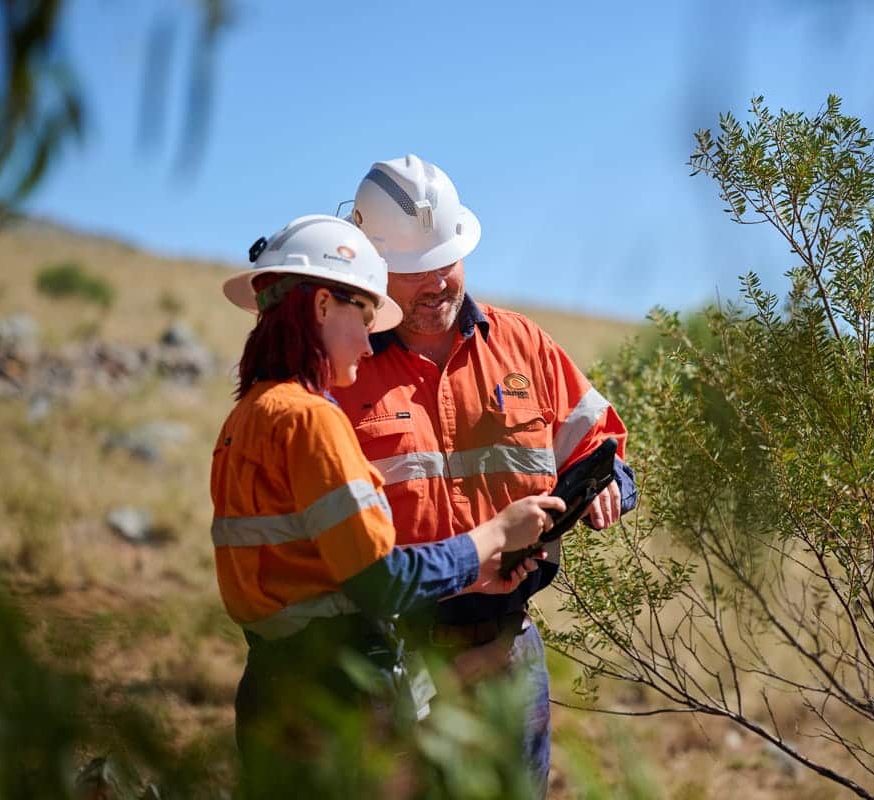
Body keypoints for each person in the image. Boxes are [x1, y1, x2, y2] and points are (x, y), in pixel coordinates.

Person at [210, 214, 566, 791]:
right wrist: (494, 537)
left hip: (273, 688)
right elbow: (381, 580)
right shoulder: (310, 419)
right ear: (323, 307)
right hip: (334, 701)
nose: (370, 338)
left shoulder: (247, 416)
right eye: (366, 315)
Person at [332, 155, 638, 794]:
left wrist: (609, 487)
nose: (435, 285)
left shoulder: (523, 346)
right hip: (393, 659)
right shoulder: (344, 370)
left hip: (509, 649)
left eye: (445, 264)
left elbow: (602, 449)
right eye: (413, 273)